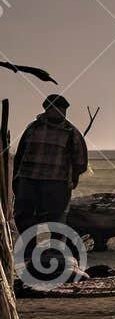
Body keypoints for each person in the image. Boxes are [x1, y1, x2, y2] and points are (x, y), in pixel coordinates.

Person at [13, 94, 88, 233]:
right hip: (29, 179)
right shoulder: (33, 128)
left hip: (57, 182)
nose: (61, 112)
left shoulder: (71, 132)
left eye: (63, 110)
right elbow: (20, 155)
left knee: (55, 219)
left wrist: (73, 178)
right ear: (47, 109)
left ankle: (54, 251)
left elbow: (80, 160)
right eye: (57, 108)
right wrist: (16, 179)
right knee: (24, 215)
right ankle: (29, 249)